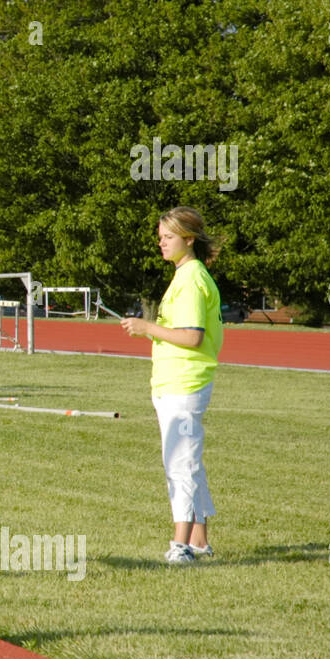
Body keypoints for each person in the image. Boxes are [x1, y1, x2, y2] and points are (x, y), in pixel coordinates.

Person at [120, 207, 223, 565]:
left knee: (179, 462)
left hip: (184, 384)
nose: (161, 243)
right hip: (173, 383)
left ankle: (180, 547)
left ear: (189, 239)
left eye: (169, 237)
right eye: (161, 237)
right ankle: (198, 542)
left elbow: (193, 337)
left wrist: (147, 328)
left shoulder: (192, 277)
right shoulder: (185, 275)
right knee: (189, 463)